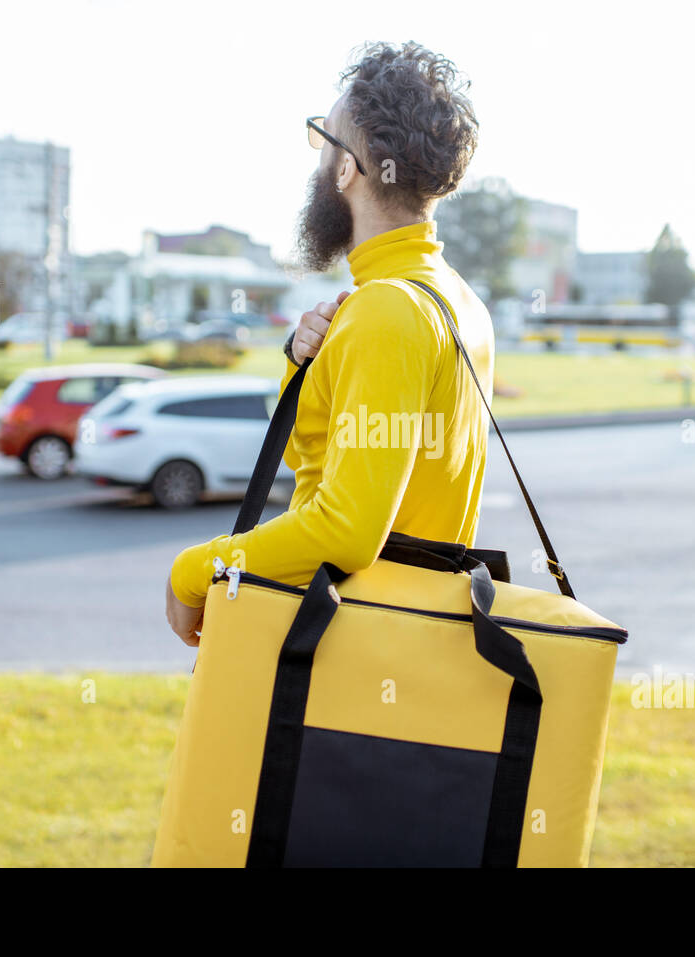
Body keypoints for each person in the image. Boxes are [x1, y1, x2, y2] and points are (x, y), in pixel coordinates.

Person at [164, 40, 491, 644]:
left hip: (354, 644)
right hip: (412, 638)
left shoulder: (387, 309)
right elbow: (321, 462)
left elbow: (345, 531)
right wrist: (303, 364)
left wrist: (193, 571)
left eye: (324, 140)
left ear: (346, 169)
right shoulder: (457, 300)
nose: (318, 161)